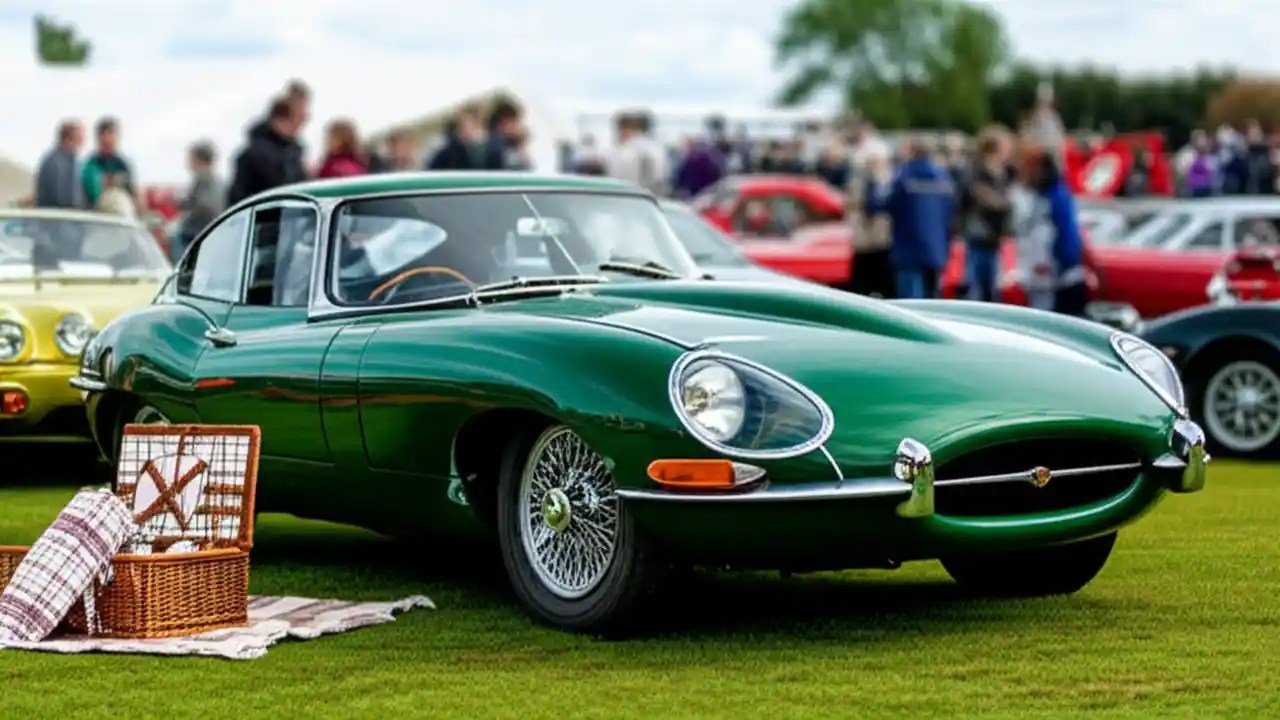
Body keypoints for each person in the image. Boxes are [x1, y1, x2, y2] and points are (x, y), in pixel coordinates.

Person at [1011, 141, 1087, 316]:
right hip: (1042, 276)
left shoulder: (1055, 197)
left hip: (1056, 278)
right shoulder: (1039, 195)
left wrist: (1062, 264)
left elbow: (1065, 235)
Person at [883, 136, 955, 299]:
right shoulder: (944, 177)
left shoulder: (905, 176)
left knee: (912, 304)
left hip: (909, 249)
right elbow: (951, 210)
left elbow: (889, 205)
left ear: (912, 151)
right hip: (936, 248)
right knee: (933, 302)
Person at [226, 97, 308, 205]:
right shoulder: (256, 154)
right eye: (297, 119)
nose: (299, 126)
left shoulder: (293, 151)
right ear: (279, 120)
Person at [963, 128, 1013, 302]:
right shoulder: (977, 171)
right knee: (976, 288)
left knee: (992, 289)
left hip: (995, 239)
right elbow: (983, 196)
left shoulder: (1005, 173)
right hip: (980, 235)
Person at [850, 149, 896, 298]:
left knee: (884, 282)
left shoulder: (890, 182)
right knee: (861, 284)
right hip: (863, 242)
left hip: (882, 241)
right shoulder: (857, 182)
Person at [172, 141, 224, 262]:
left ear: (198, 159)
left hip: (201, 229)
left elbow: (201, 205)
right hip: (214, 228)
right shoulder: (217, 180)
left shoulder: (203, 178)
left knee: (175, 236)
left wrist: (179, 203)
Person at [81, 117, 136, 210]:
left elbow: (132, 193)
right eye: (103, 135)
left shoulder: (123, 165)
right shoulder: (90, 165)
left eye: (110, 134)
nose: (107, 139)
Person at [606, 111, 666, 195]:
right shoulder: (657, 149)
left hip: (627, 196)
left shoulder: (623, 151)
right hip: (651, 197)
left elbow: (615, 177)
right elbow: (661, 178)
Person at [34, 120, 84, 209]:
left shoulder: (73, 162)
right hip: (57, 218)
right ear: (67, 139)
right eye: (78, 140)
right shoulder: (55, 163)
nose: (80, 144)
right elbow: (63, 198)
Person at [427, 104, 487, 170]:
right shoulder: (446, 151)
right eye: (461, 126)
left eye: (467, 126)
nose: (464, 130)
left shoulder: (487, 149)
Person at [483, 98, 525, 170]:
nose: (518, 126)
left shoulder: (506, 145)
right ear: (503, 124)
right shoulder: (497, 147)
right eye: (515, 122)